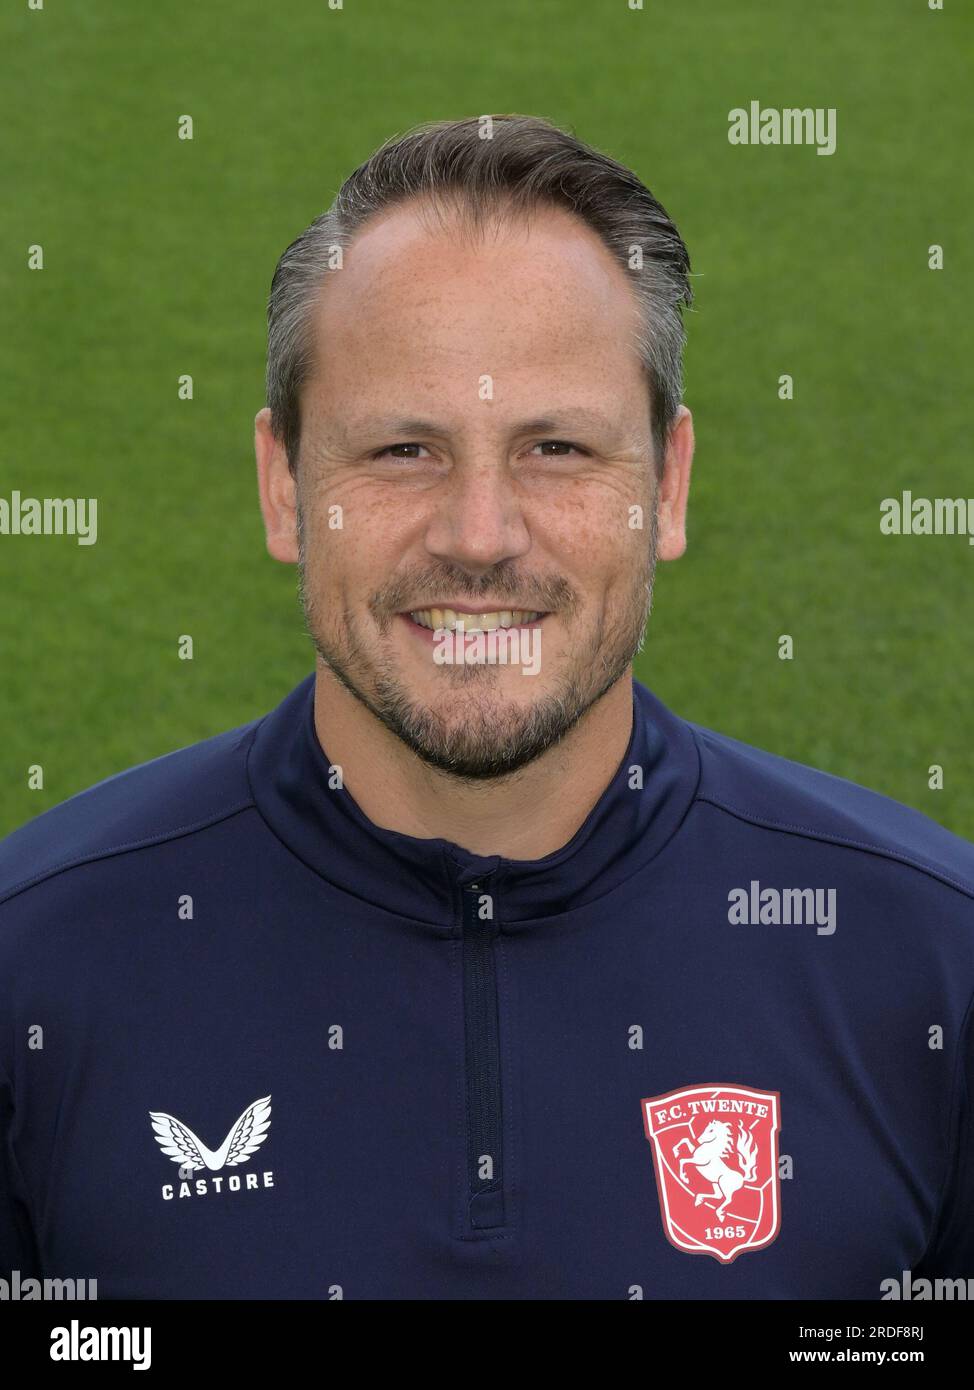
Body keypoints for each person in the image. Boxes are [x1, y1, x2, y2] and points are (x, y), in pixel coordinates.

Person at [1, 115, 971, 1300]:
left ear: (664, 486)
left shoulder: (929, 959)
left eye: (555, 448)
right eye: (403, 450)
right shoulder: (33, 964)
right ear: (282, 486)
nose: (479, 537)